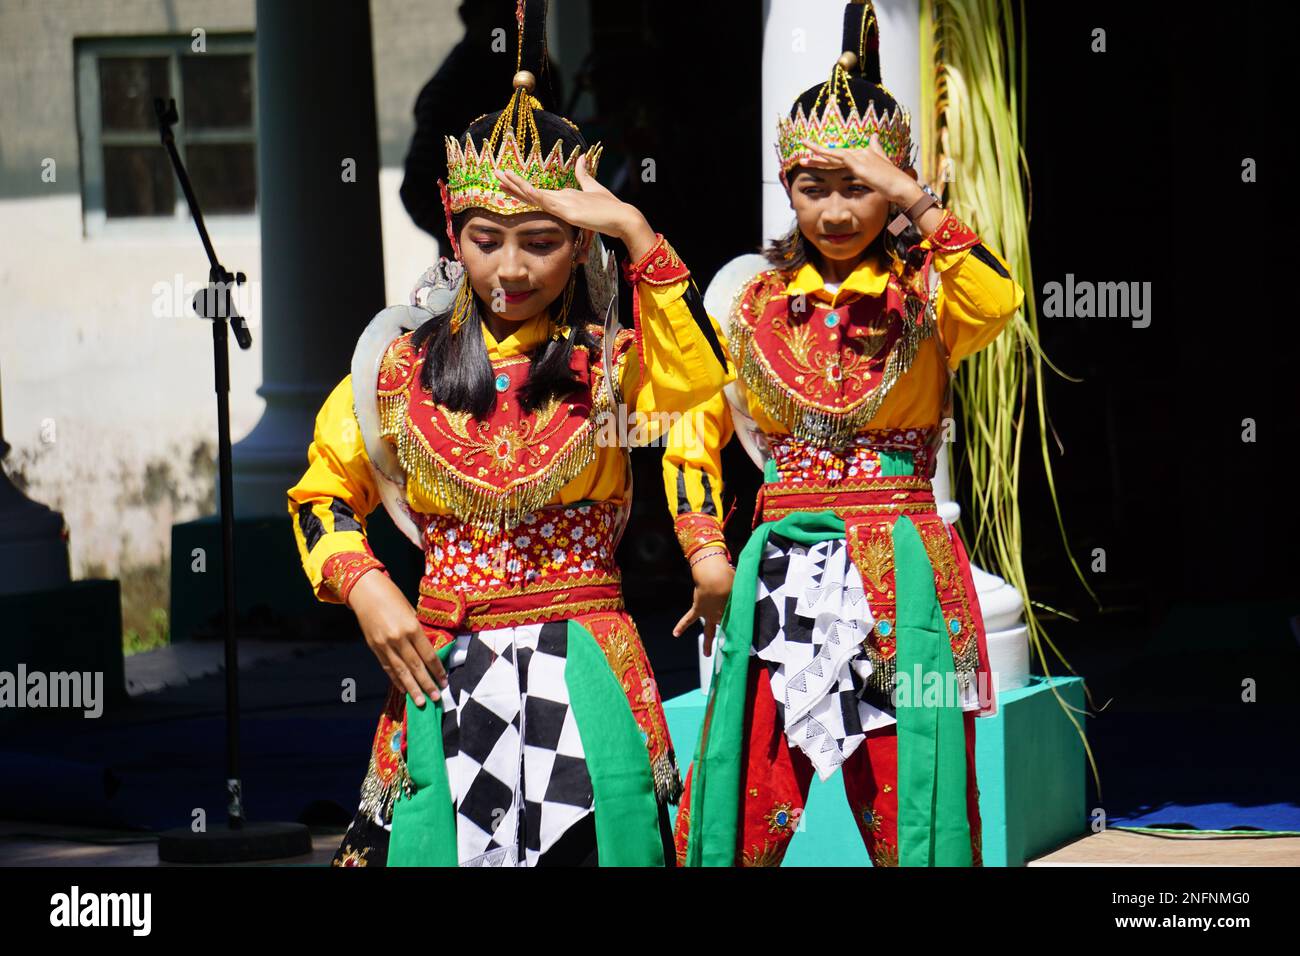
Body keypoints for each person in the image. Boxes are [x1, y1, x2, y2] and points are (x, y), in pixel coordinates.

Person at [288, 0, 730, 867]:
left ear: (579, 247)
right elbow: (319, 495)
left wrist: (636, 233)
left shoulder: (610, 365)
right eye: (487, 241)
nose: (513, 269)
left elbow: (694, 394)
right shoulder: (401, 371)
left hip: (587, 667)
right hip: (444, 667)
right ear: (454, 232)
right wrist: (370, 590)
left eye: (542, 242)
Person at [664, 0, 1024, 867]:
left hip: (904, 572)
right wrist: (708, 555)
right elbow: (690, 428)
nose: (832, 211)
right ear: (785, 187)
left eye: (855, 187)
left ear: (891, 187)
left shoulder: (932, 293)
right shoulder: (747, 306)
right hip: (781, 564)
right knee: (746, 796)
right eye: (811, 186)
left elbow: (999, 302)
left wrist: (917, 202)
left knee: (918, 801)